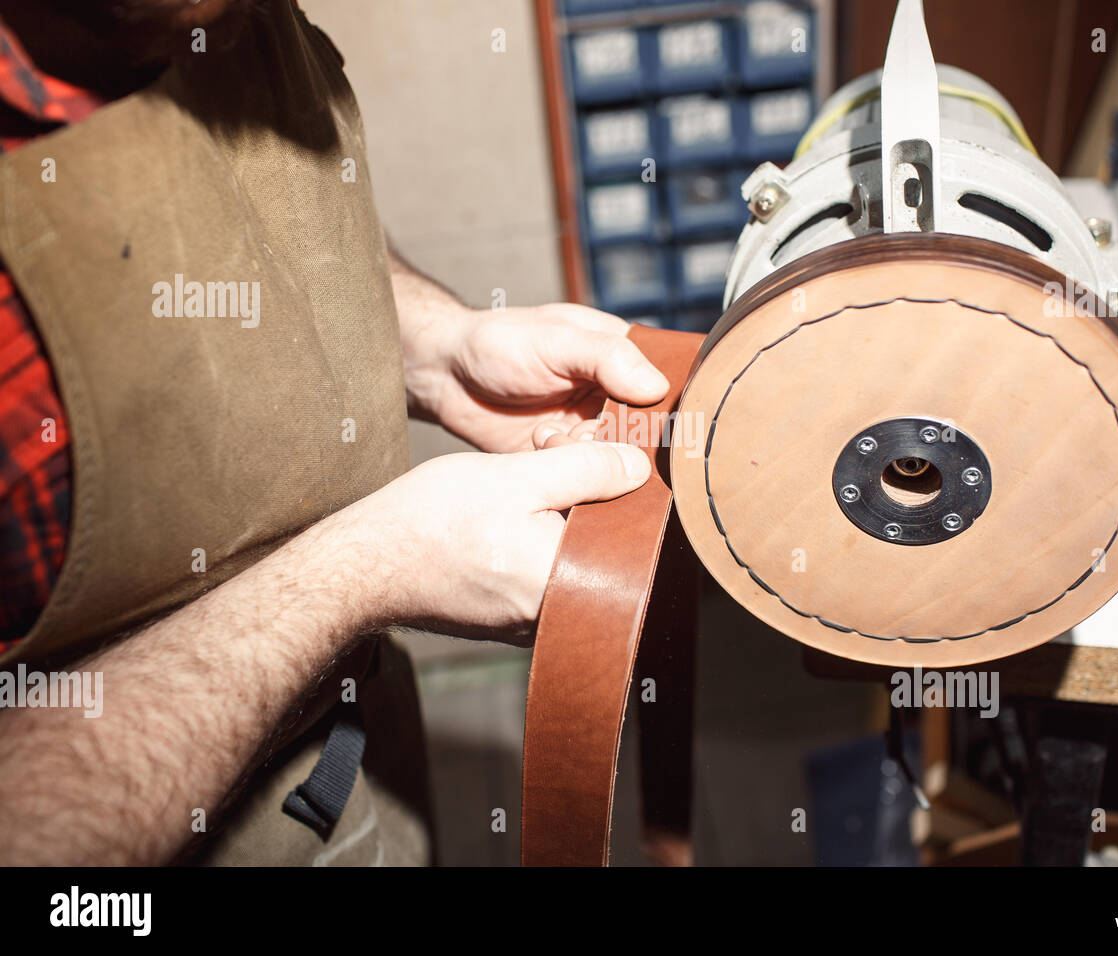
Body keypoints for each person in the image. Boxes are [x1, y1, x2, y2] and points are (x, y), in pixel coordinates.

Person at [0, 0, 668, 864]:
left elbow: (240, 221)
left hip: (353, 733)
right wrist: (366, 572)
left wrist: (438, 345)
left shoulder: (204, 16)